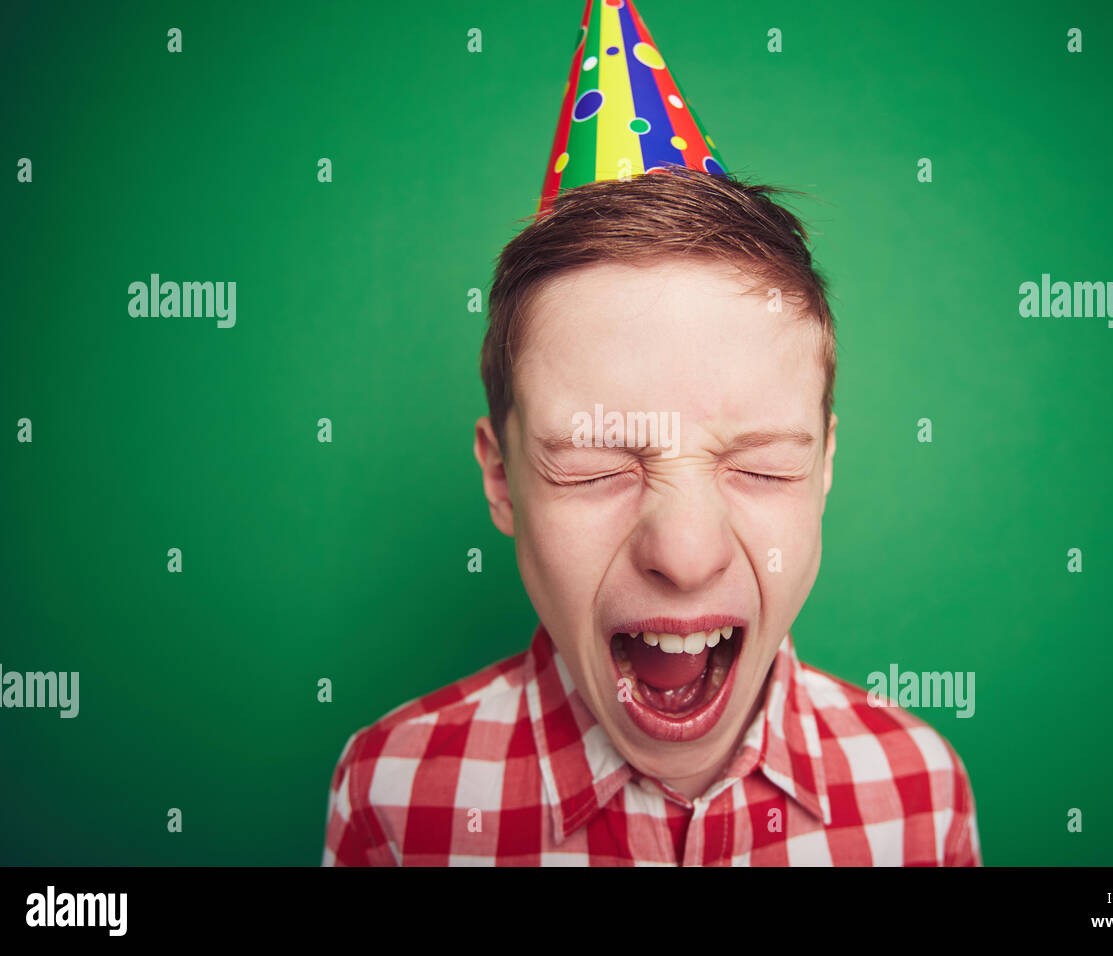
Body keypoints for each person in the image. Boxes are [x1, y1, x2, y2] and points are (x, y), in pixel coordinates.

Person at [322, 0, 980, 866]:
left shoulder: (918, 791)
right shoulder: (396, 794)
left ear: (824, 467)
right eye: (595, 466)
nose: (685, 550)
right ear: (499, 478)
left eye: (765, 468)